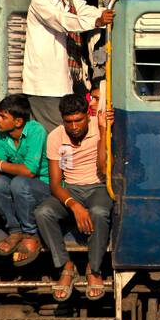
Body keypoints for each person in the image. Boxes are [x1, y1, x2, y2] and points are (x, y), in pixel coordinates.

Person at [34, 94, 113, 301]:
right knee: (43, 212)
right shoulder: (55, 137)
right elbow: (55, 184)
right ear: (62, 120)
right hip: (72, 189)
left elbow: (103, 167)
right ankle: (66, 267)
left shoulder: (100, 126)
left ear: (87, 116)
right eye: (69, 122)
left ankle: (94, 270)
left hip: (98, 187)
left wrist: (104, 130)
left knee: (99, 211)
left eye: (79, 120)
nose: (74, 126)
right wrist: (74, 205)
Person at [24, 0, 115, 133]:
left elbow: (94, 13)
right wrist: (97, 21)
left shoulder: (71, 1)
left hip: (66, 82)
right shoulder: (40, 0)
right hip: (45, 83)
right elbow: (62, 20)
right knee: (53, 134)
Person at [0, 93, 49, 266]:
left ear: (18, 122)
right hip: (19, 185)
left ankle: (32, 234)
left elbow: (29, 171)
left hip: (44, 186)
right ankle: (15, 231)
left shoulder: (35, 131)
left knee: (19, 182)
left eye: (2, 116)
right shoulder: (0, 135)